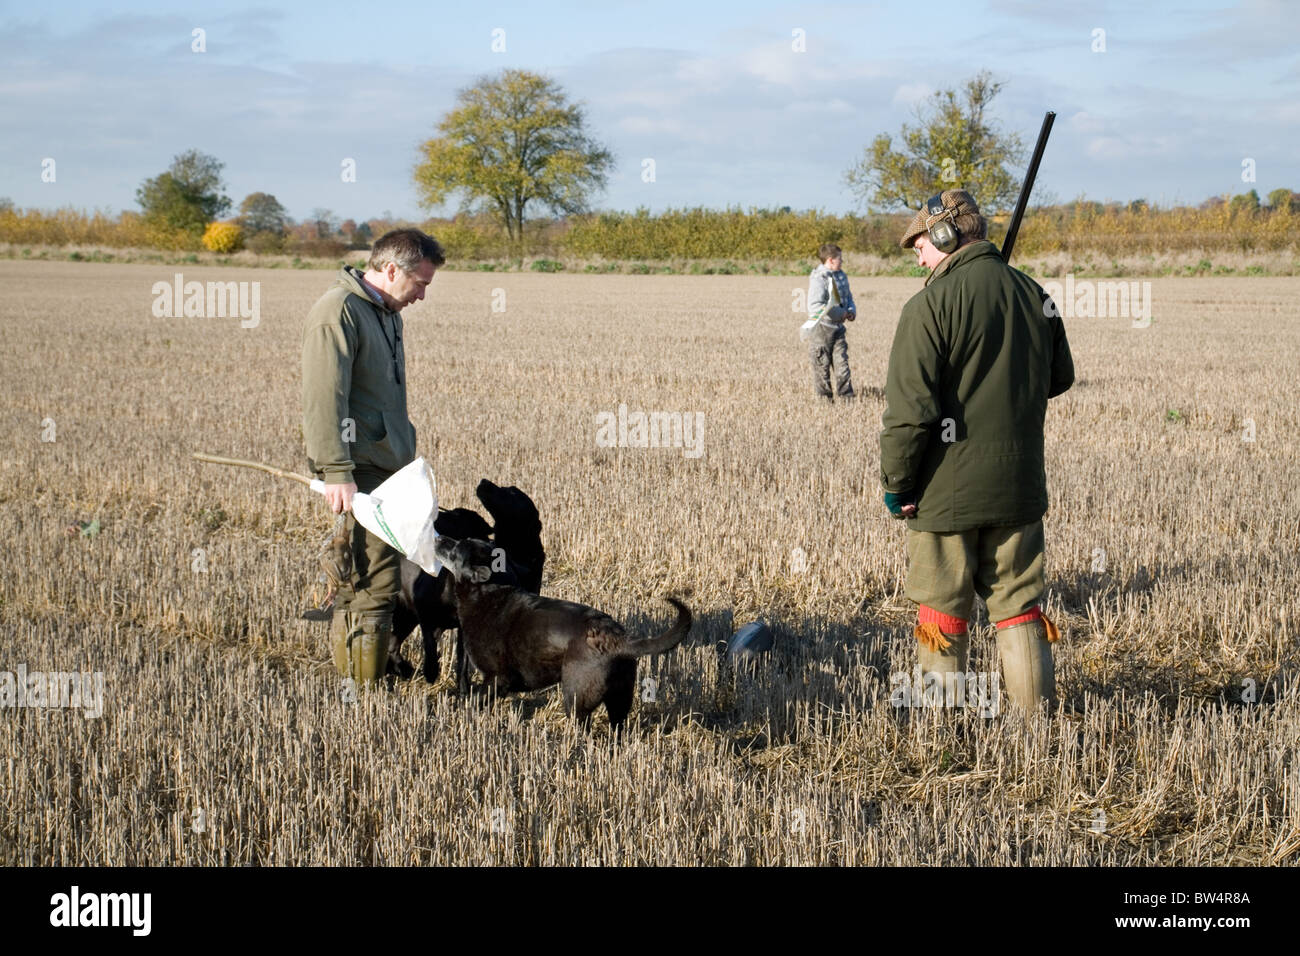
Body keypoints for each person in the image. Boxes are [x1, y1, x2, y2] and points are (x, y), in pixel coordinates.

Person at [879, 189, 1074, 712]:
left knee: (941, 608)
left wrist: (897, 486)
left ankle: (941, 733)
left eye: (919, 242)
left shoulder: (927, 306)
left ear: (945, 236)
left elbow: (910, 416)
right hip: (1019, 488)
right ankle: (1038, 732)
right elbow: (1060, 379)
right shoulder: (1036, 294)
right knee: (1019, 606)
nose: (916, 254)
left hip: (944, 495)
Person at [302, 228, 445, 685]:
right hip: (361, 470)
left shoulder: (386, 313)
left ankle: (367, 677)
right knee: (371, 583)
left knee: (380, 580)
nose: (421, 296)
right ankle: (362, 692)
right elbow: (325, 398)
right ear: (390, 270)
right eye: (419, 284)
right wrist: (337, 471)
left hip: (391, 469)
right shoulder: (339, 312)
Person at [803, 243, 856, 402]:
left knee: (842, 366)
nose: (843, 261)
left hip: (838, 328)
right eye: (840, 258)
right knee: (821, 366)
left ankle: (847, 398)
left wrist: (852, 310)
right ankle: (825, 401)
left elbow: (848, 297)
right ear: (831, 260)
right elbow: (815, 306)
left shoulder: (842, 276)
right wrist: (841, 313)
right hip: (821, 329)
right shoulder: (819, 278)